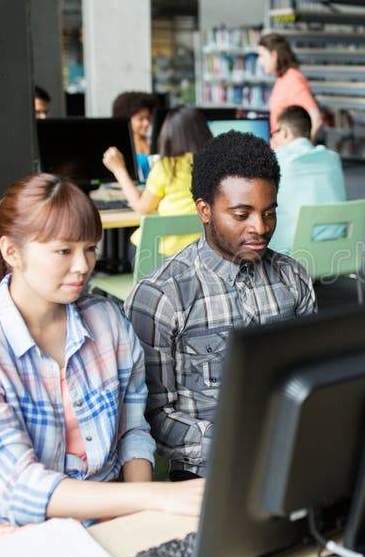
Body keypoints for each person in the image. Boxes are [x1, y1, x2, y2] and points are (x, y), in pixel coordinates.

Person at [0, 173, 203, 544]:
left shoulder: (110, 321)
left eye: (90, 248)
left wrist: (138, 522)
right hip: (15, 537)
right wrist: (152, 496)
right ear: (11, 252)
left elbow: (133, 432)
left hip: (110, 521)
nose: (83, 265)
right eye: (64, 251)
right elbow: (21, 488)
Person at [124, 131, 316, 480]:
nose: (260, 227)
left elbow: (313, 373)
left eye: (269, 213)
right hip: (210, 473)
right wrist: (240, 444)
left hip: (292, 456)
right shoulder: (161, 297)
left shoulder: (293, 278)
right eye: (242, 215)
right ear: (205, 210)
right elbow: (152, 416)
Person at [103, 105, 211, 256]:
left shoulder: (167, 165)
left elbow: (142, 208)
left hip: (161, 255)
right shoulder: (216, 165)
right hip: (200, 253)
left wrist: (118, 169)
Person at [268, 104, 347, 254]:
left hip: (293, 254)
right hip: (337, 250)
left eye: (276, 131)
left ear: (284, 132)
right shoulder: (333, 158)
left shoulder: (278, 159)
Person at [257, 33, 322, 141]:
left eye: (262, 55)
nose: (259, 61)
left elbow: (316, 119)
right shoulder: (282, 79)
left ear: (274, 55)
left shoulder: (293, 79)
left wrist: (302, 149)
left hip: (290, 154)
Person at [111, 91, 158, 181]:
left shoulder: (154, 142)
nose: (146, 123)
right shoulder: (119, 147)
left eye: (148, 118)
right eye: (140, 119)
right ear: (126, 119)